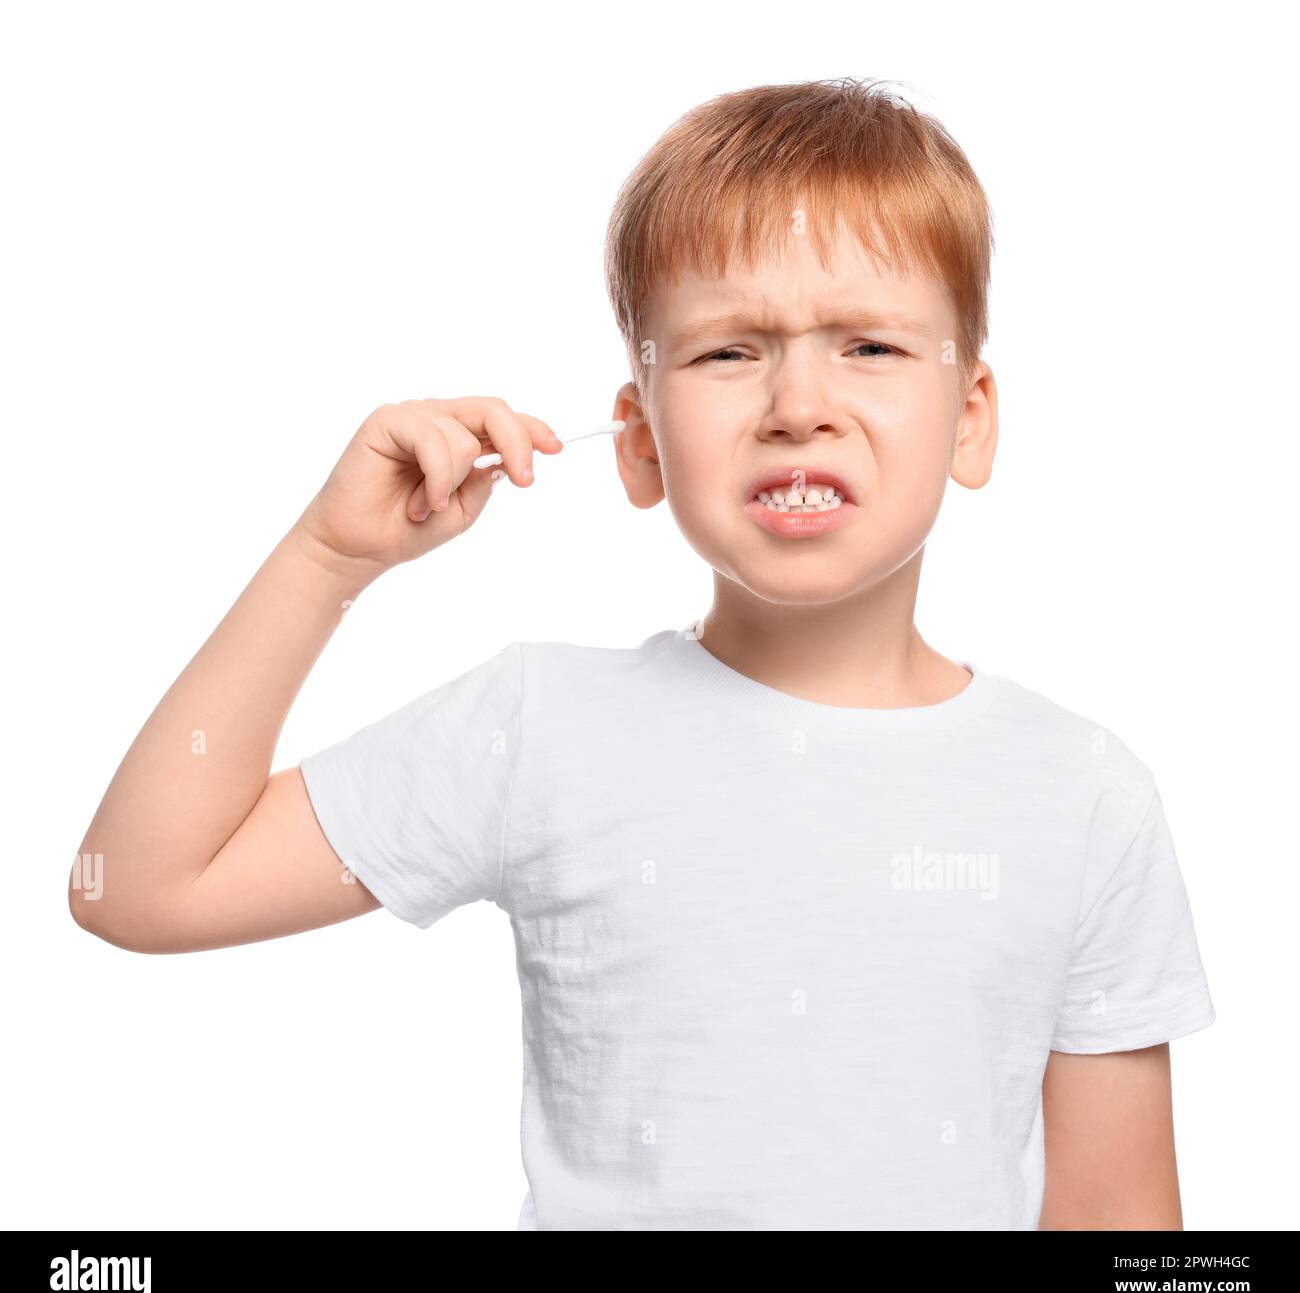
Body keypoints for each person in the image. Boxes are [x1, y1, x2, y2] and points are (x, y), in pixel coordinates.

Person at [70, 76, 1215, 1231]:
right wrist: (327, 558)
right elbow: (137, 889)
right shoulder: (540, 727)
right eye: (727, 354)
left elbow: (1122, 1224)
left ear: (969, 418)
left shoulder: (1080, 793)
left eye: (867, 343)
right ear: (639, 443)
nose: (797, 403)